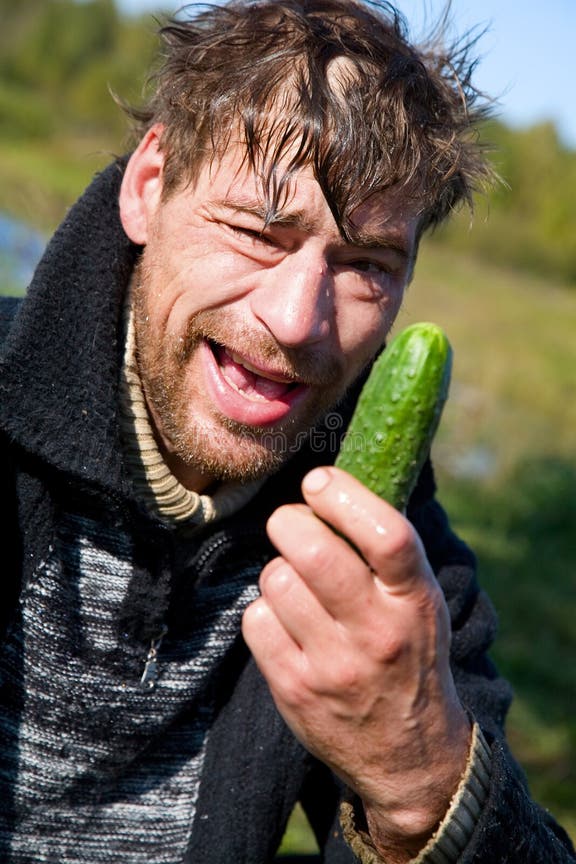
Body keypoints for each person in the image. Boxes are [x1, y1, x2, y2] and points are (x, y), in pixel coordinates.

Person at [0, 1, 574, 862]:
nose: (298, 321)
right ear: (150, 188)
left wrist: (423, 784)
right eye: (257, 232)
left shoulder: (386, 539)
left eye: (367, 265)